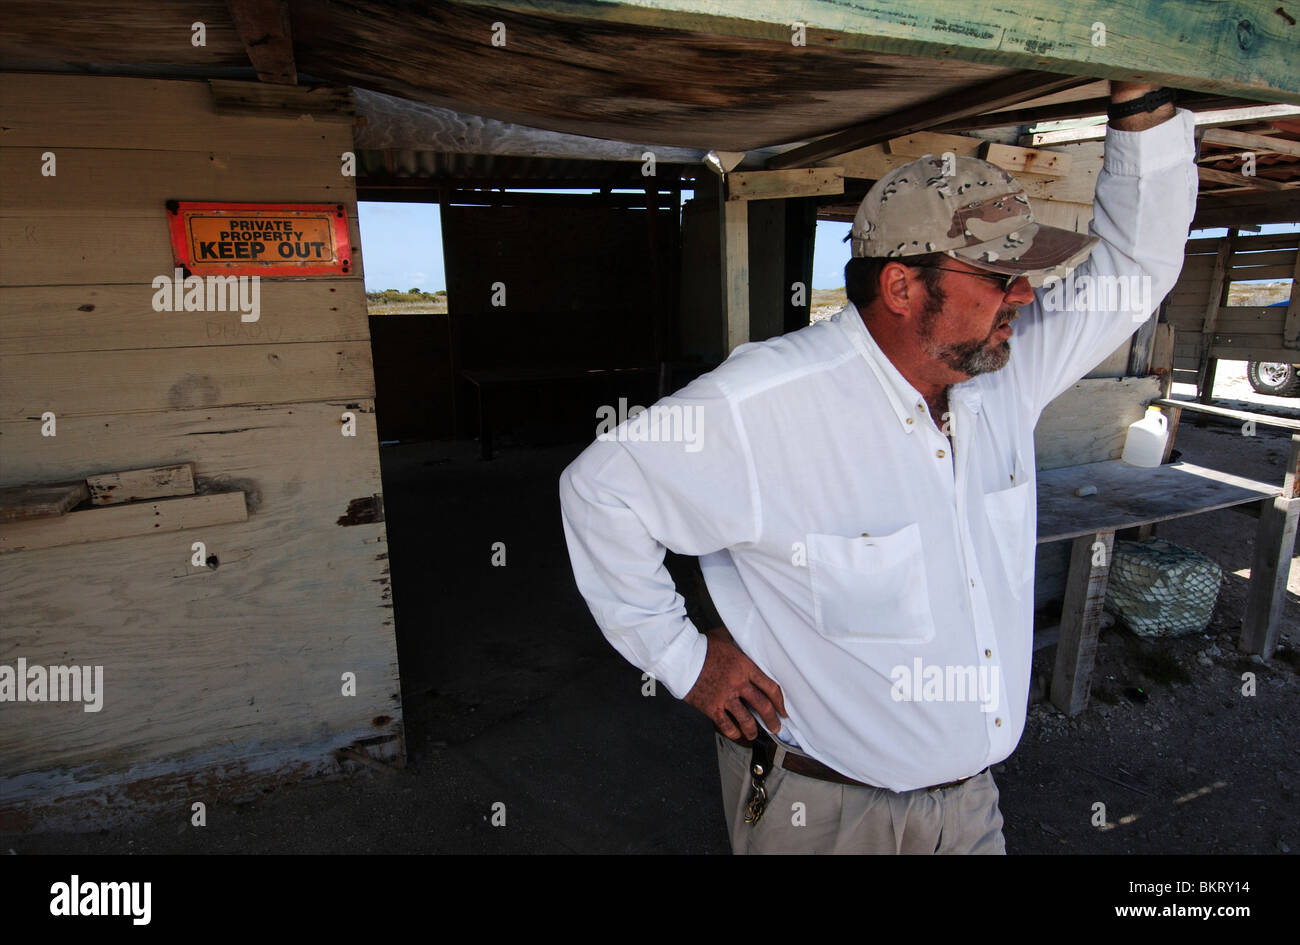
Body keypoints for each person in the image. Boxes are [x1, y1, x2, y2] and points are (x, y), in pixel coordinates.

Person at [559, 82, 1195, 853]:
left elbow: (1137, 266)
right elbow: (600, 493)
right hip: (824, 811)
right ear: (901, 286)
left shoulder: (1001, 377)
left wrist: (1142, 109)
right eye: (999, 277)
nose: (1024, 296)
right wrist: (685, 659)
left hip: (967, 808)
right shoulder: (766, 403)